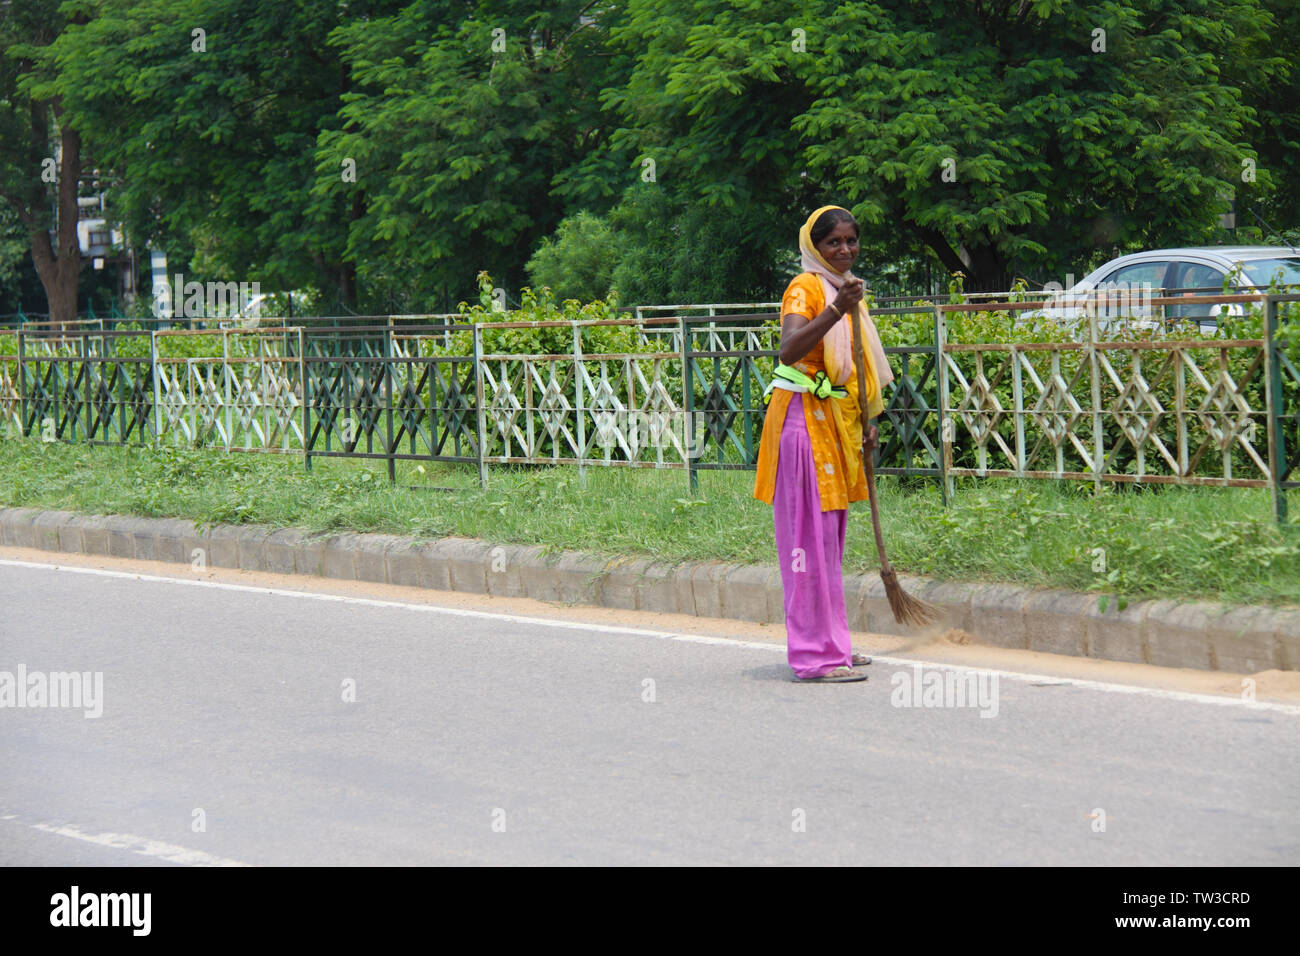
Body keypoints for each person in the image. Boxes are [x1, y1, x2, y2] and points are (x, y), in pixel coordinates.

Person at [752, 205, 895, 683]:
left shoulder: (847, 289)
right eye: (834, 243)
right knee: (806, 544)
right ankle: (814, 656)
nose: (845, 250)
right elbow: (789, 349)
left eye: (851, 241)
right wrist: (837, 310)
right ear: (815, 247)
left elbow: (856, 364)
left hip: (837, 424)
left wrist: (869, 417)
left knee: (828, 542)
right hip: (801, 425)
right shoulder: (807, 289)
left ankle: (835, 644)